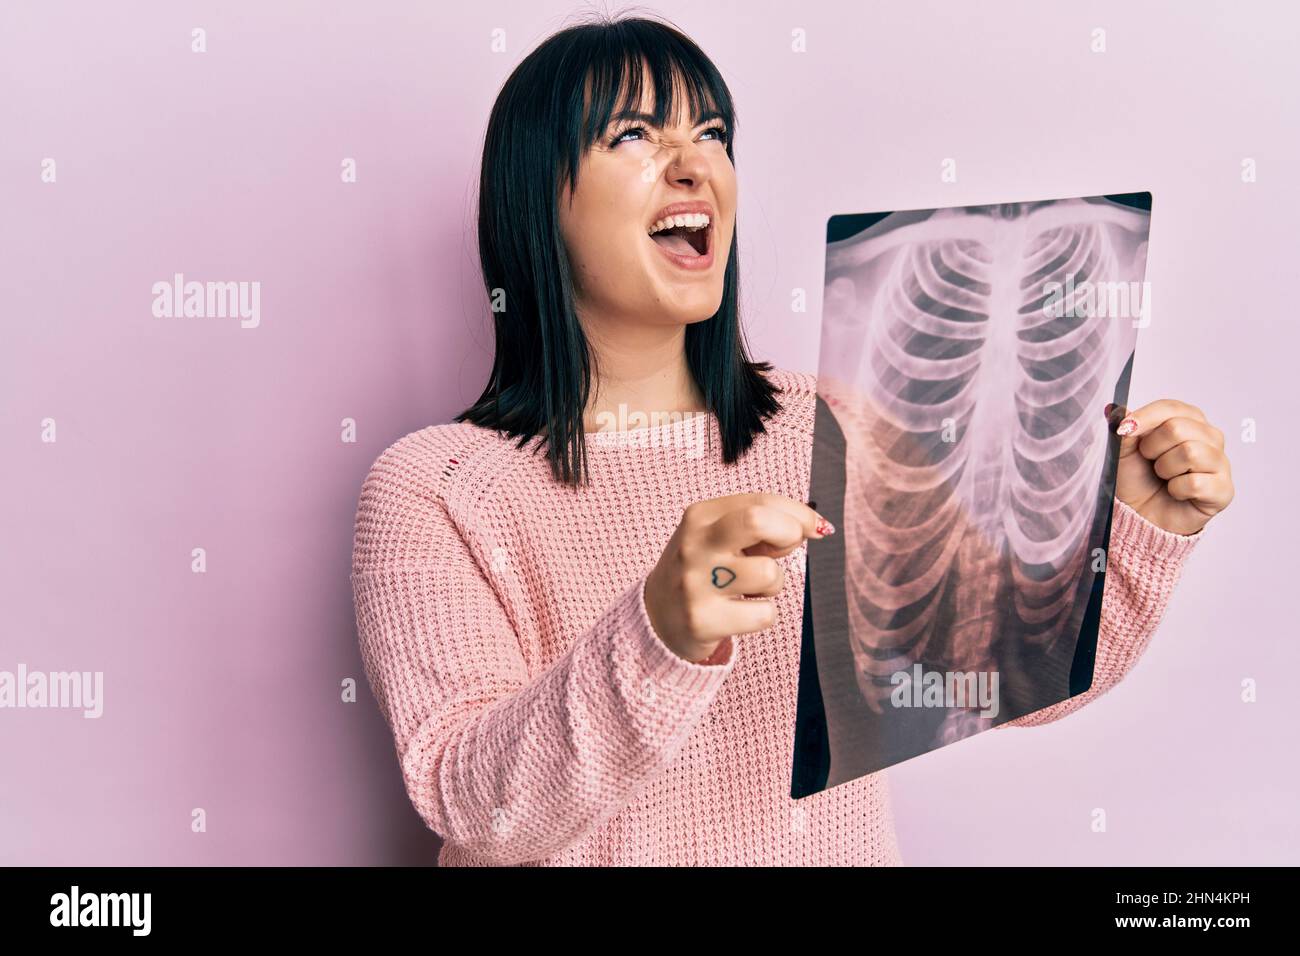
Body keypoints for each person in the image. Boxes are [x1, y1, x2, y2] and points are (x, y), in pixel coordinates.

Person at [349, 13, 1234, 866]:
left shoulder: (831, 427)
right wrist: (657, 631)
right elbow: (475, 805)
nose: (694, 166)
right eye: (633, 137)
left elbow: (1002, 680)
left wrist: (1128, 532)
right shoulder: (435, 486)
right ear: (536, 195)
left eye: (712, 134)